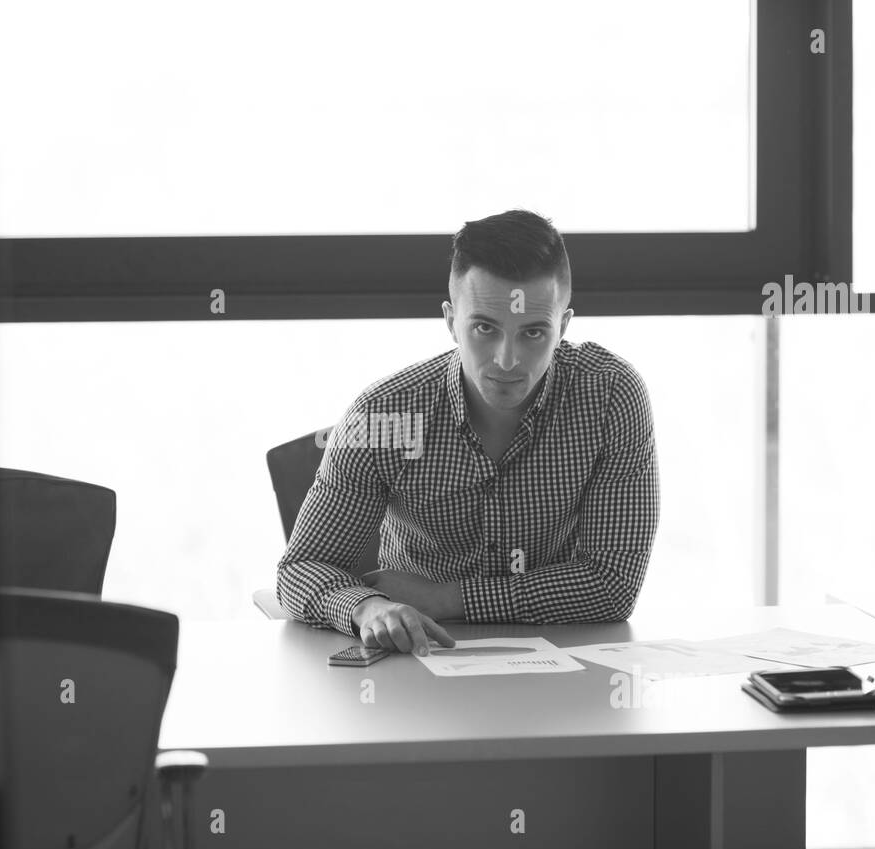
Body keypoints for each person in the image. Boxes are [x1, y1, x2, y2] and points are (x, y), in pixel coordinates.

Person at [276, 209, 660, 655]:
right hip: (415, 656)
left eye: (534, 332)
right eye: (484, 328)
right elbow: (301, 568)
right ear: (450, 320)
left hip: (562, 653)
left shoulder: (611, 397)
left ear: (564, 327)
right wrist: (368, 609)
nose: (507, 360)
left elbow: (612, 586)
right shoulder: (384, 413)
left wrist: (448, 598)